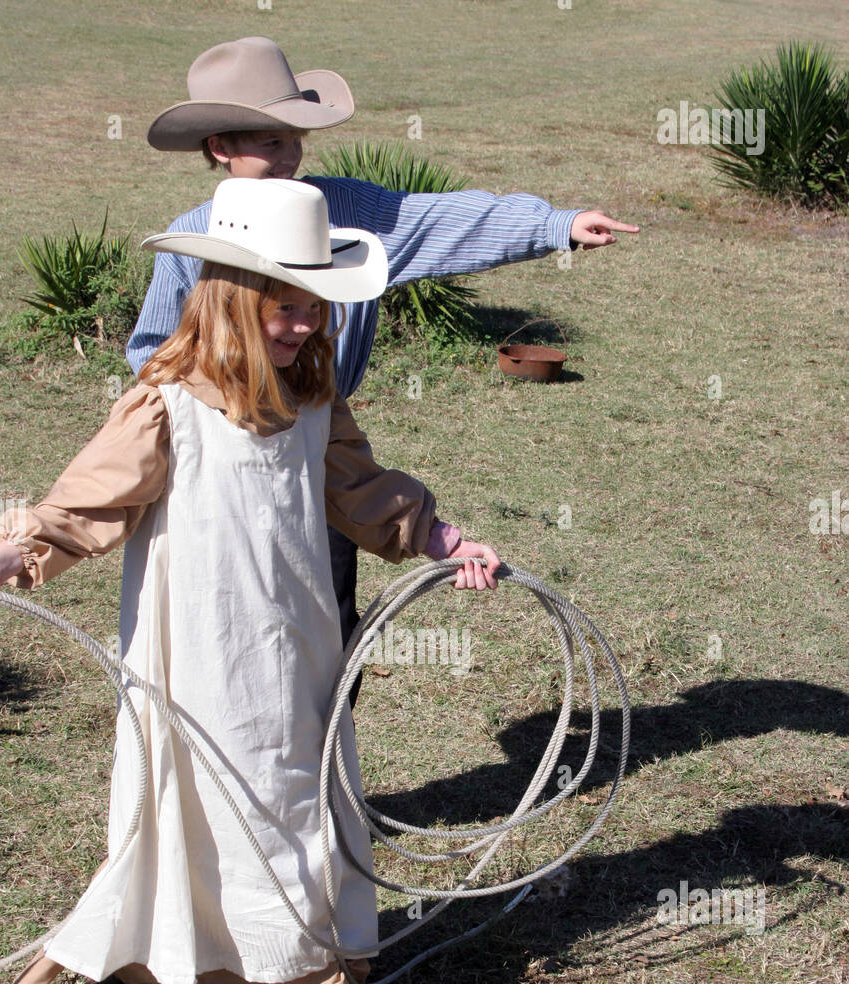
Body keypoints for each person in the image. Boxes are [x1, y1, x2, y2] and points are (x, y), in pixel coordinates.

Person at [0, 178, 501, 984]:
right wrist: (17, 554)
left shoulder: (312, 398)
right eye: (285, 308)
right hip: (199, 642)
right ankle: (234, 979)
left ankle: (275, 968)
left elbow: (361, 489)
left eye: (314, 308)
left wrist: (445, 541)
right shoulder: (167, 401)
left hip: (297, 635)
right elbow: (87, 501)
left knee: (295, 784)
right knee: (210, 795)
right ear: (229, 300)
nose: (304, 325)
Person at [127, 36, 639, 683]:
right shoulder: (191, 241)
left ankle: (326, 777)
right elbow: (152, 356)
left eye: (293, 138)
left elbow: (444, 222)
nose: (287, 156)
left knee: (326, 633)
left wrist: (553, 225)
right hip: (222, 476)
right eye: (267, 141)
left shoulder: (342, 211)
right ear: (220, 147)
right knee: (232, 634)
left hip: (324, 456)